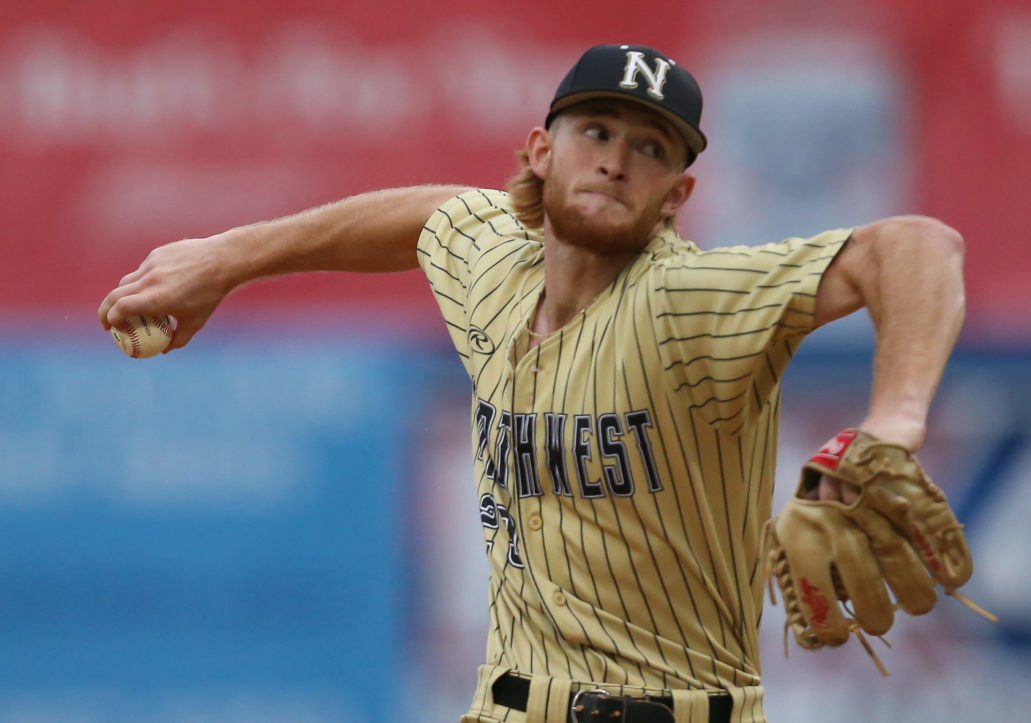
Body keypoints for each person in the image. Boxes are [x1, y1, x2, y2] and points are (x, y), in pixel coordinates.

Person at [99, 44, 965, 723]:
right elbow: (428, 215)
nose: (617, 160)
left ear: (676, 194)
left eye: (650, 147)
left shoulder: (690, 301)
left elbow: (917, 246)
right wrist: (223, 258)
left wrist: (893, 424)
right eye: (596, 131)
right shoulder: (495, 263)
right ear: (542, 152)